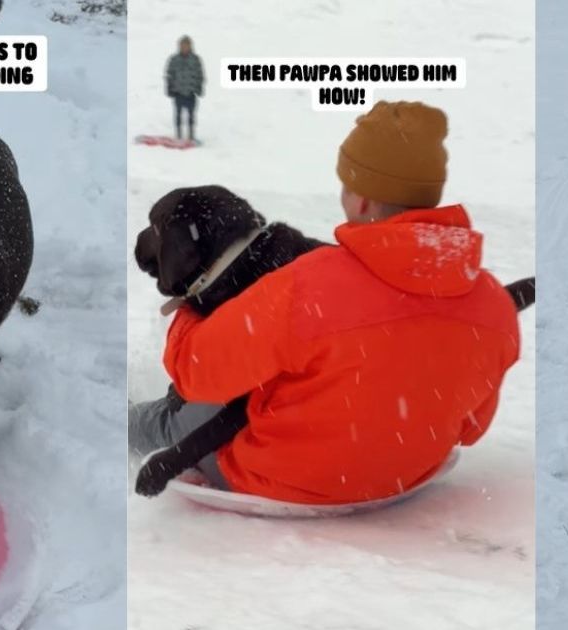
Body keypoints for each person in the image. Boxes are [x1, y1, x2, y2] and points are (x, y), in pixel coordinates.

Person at [131, 101, 522, 505]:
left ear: (362, 200)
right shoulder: (493, 303)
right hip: (405, 476)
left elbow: (195, 371)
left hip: (279, 479)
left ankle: (115, 424)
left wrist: (189, 308)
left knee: (174, 418)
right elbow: (471, 428)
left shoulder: (306, 286)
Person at [164, 35, 204, 141]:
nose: (184, 47)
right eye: (182, 45)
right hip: (178, 92)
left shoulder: (196, 60)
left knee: (191, 116)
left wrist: (199, 89)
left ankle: (191, 136)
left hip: (191, 93)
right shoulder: (174, 59)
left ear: (190, 46)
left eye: (186, 45)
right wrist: (169, 88)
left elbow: (200, 75)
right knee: (178, 116)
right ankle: (178, 135)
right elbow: (169, 75)